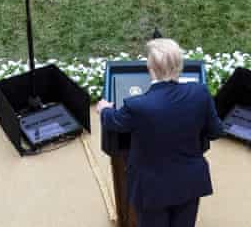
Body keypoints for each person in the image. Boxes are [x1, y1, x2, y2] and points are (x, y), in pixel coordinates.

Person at [96, 38, 224, 227]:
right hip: (189, 183)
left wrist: (104, 109)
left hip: (151, 190)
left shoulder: (137, 106)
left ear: (151, 68)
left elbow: (113, 121)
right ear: (179, 65)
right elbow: (216, 132)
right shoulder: (201, 93)